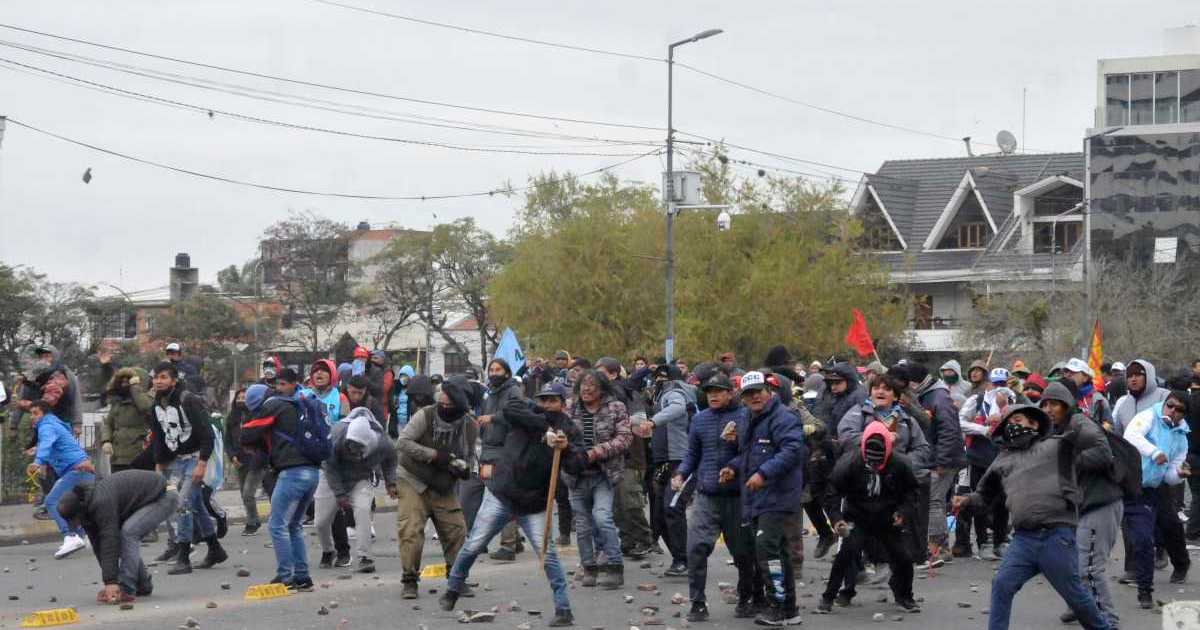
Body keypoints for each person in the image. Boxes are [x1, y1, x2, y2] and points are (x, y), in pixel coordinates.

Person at [952, 404, 1112, 630]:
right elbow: (984, 497)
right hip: (1023, 540)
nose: (1012, 425)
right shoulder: (1002, 460)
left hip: (1057, 536)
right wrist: (966, 500)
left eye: (1018, 419)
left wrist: (1074, 415)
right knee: (1002, 584)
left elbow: (1098, 447)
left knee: (1075, 594)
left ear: (1035, 424)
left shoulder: (1059, 446)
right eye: (1008, 422)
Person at [442, 382, 581, 627]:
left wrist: (565, 447)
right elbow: (509, 410)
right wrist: (545, 427)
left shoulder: (569, 429)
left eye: (553, 400)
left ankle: (563, 609)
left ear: (563, 402)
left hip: (535, 504)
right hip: (502, 493)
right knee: (474, 544)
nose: (547, 404)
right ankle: (453, 588)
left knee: (548, 557)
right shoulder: (528, 411)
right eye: (543, 399)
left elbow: (577, 464)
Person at [722, 371, 806, 627]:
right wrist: (734, 467)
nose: (754, 396)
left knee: (767, 549)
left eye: (758, 391)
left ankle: (777, 606)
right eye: (749, 393)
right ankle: (789, 609)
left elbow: (792, 451)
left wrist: (763, 473)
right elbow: (748, 455)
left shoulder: (784, 417)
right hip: (759, 496)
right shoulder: (748, 418)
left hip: (778, 495)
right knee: (777, 550)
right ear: (743, 397)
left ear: (769, 391)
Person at [1039, 382, 1125, 629]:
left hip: (1101, 503)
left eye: (1053, 404)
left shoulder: (1080, 424)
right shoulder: (1059, 428)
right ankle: (1080, 606)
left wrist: (1069, 462)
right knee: (1071, 563)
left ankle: (1107, 620)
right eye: (1044, 404)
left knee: (1089, 568)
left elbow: (1103, 453)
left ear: (1066, 405)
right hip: (1082, 506)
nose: (1048, 409)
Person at [675, 373, 756, 622]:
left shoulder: (745, 417)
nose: (713, 395)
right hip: (706, 495)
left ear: (730, 393)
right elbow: (692, 454)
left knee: (743, 552)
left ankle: (746, 597)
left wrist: (733, 465)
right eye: (709, 391)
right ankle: (698, 603)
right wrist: (680, 473)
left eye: (719, 391)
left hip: (736, 497)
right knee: (696, 549)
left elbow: (751, 453)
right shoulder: (699, 420)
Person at [818, 421, 921, 614]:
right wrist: (836, 519)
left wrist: (903, 513)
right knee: (846, 554)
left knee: (904, 558)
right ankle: (829, 597)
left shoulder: (901, 464)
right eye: (870, 462)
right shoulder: (849, 463)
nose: (874, 467)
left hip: (887, 518)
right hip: (858, 517)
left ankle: (905, 596)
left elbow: (912, 493)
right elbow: (831, 492)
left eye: (878, 463)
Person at [394, 376, 475, 599]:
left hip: (443, 484)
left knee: (456, 530)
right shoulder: (426, 415)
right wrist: (434, 456)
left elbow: (470, 457)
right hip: (413, 478)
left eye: (451, 405)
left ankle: (457, 578)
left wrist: (464, 468)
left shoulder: (469, 425)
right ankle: (409, 580)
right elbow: (402, 443)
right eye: (443, 403)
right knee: (411, 530)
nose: (445, 407)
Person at [240, 381, 322, 591]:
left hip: (293, 472)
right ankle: (303, 577)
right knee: (294, 524)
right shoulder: (295, 406)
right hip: (313, 472)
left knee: (277, 525)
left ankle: (286, 576)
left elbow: (247, 434)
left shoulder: (272, 406)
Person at [55, 470, 179, 606]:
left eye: (76, 519)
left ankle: (127, 588)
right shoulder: (85, 508)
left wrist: (112, 583)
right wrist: (110, 582)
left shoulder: (101, 502)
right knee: (124, 535)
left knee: (128, 533)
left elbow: (109, 541)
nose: (77, 523)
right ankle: (143, 585)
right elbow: (99, 546)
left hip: (165, 494)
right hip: (152, 496)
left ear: (81, 508)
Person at [147, 362, 224, 575]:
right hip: (177, 461)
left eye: (163, 377)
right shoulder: (156, 405)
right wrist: (158, 465)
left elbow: (206, 434)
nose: (158, 381)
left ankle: (183, 556)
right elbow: (159, 438)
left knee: (182, 504)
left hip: (196, 458)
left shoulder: (188, 400)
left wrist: (202, 463)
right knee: (195, 504)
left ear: (174, 380)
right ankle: (215, 548)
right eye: (156, 377)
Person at [563, 369, 632, 589]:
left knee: (602, 518)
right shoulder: (570, 408)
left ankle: (614, 566)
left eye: (591, 386)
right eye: (583, 386)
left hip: (604, 475)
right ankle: (589, 568)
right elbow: (557, 433)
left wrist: (596, 452)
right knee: (582, 525)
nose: (586, 390)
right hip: (576, 477)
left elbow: (624, 438)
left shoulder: (616, 408)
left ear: (602, 389)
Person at [1123, 390, 1191, 608]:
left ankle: (1177, 567)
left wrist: (1179, 475)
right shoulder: (1148, 416)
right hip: (1129, 484)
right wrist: (1154, 452)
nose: (1172, 411)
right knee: (1139, 536)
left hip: (1154, 488)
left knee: (1167, 527)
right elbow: (1131, 436)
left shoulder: (1181, 437)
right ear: (1164, 403)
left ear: (1184, 414)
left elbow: (1170, 475)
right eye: (1170, 405)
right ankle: (1141, 584)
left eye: (1179, 409)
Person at [315, 407, 398, 574]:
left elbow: (391, 460)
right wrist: (339, 495)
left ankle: (365, 557)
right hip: (331, 476)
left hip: (360, 478)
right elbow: (329, 467)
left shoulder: (382, 442)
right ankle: (328, 550)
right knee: (321, 522)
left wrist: (391, 483)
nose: (352, 449)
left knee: (363, 512)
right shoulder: (337, 434)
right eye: (350, 445)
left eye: (358, 448)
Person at [635, 363, 697, 577]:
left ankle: (686, 560)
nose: (658, 381)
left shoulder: (675, 393)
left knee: (672, 507)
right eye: (656, 378)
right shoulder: (658, 396)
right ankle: (681, 559)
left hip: (681, 461)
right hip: (664, 462)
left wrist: (653, 422)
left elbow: (677, 408)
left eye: (662, 377)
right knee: (660, 514)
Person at [908, 362, 966, 567]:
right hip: (934, 458)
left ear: (915, 382)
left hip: (943, 461)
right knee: (933, 501)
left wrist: (942, 461)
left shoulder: (938, 396)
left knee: (934, 501)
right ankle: (937, 545)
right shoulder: (927, 394)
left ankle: (938, 547)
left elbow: (949, 431)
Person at [596, 357, 652, 558]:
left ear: (613, 374)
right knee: (617, 506)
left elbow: (640, 425)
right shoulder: (599, 397)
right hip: (612, 458)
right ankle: (628, 540)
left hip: (631, 457)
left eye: (601, 372)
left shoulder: (627, 393)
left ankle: (644, 540)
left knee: (630, 501)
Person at [954, 368, 1012, 560]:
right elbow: (960, 422)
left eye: (1002, 384)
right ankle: (983, 542)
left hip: (1004, 457)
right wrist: (983, 429)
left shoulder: (1013, 401)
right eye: (995, 384)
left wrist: (1005, 415)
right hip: (980, 458)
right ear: (988, 384)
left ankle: (1001, 540)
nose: (999, 388)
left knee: (1003, 501)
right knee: (981, 499)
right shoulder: (976, 400)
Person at [27, 400, 95, 558]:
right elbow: (57, 444)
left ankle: (71, 536)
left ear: (45, 414)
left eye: (35, 413)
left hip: (76, 470)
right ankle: (84, 535)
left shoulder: (46, 425)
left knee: (52, 502)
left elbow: (47, 443)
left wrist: (38, 461)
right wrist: (37, 450)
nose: (32, 417)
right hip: (83, 470)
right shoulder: (54, 424)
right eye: (31, 413)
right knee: (75, 506)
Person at [225, 387, 272, 536]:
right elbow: (227, 440)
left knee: (249, 493)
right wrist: (232, 456)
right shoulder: (232, 417)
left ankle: (253, 522)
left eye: (244, 398)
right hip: (239, 461)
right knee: (244, 494)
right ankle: (254, 520)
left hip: (257, 461)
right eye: (238, 398)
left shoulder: (257, 415)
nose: (241, 401)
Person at [100, 367, 153, 473]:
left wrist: (136, 389)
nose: (125, 384)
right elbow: (108, 424)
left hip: (139, 455)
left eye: (128, 381)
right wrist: (106, 440)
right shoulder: (117, 402)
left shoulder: (148, 399)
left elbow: (145, 407)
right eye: (122, 381)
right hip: (117, 458)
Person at [1112, 360, 1170, 435]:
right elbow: (1119, 437)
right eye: (1129, 376)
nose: (1133, 379)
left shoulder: (1165, 397)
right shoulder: (1123, 403)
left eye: (1138, 375)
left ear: (1148, 376)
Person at [1062, 358, 1114, 429]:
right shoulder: (1060, 396)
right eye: (1066, 371)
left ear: (1085, 377)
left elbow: (1110, 426)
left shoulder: (1098, 400)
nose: (1068, 375)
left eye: (1073, 372)